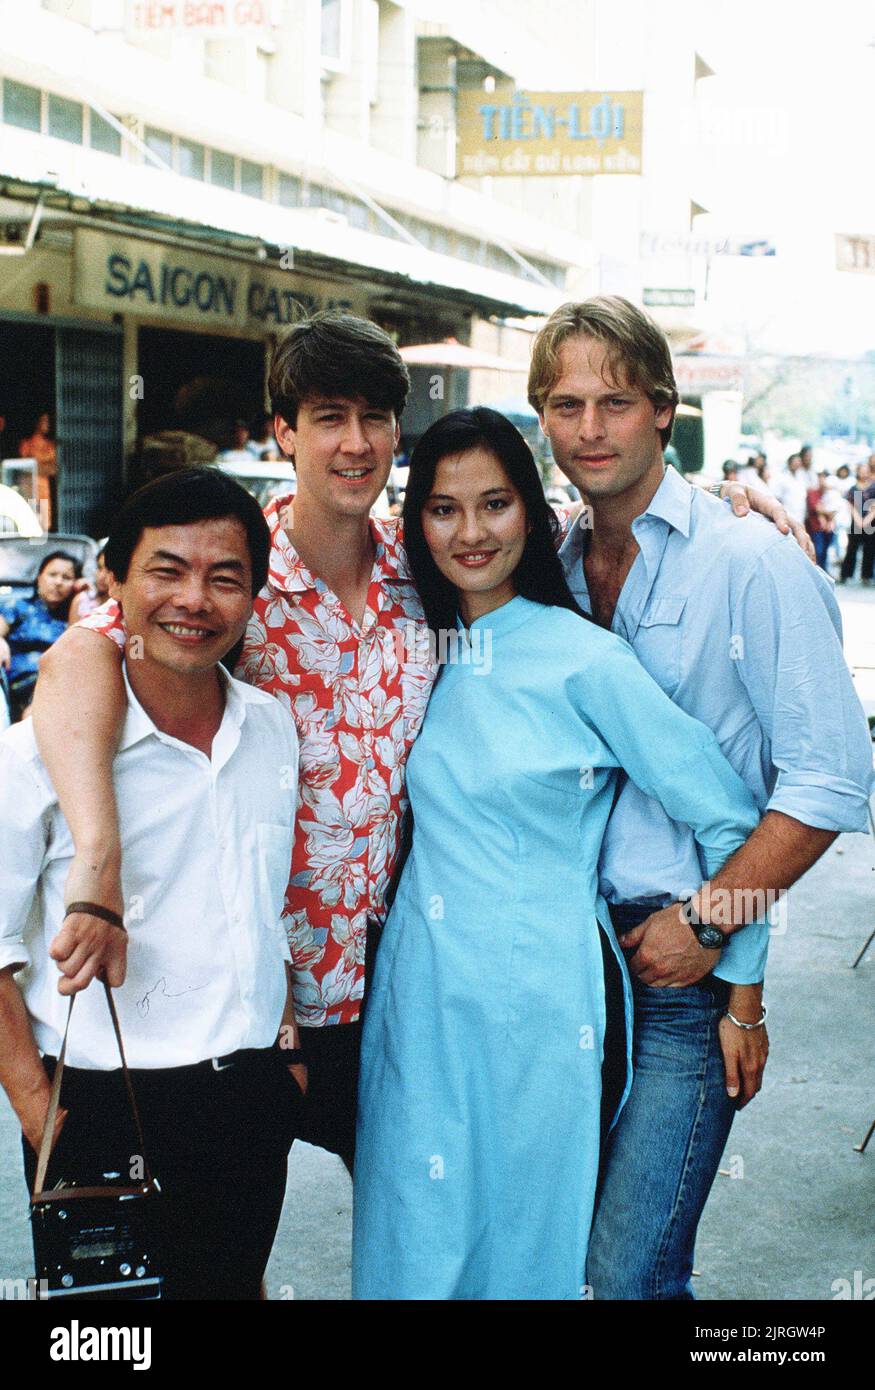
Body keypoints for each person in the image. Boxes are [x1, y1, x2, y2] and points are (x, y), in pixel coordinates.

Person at [29, 314, 811, 1191]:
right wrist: (98, 856)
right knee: (226, 1242)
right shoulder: (236, 577)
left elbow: (580, 506)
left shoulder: (432, 560)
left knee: (416, 1224)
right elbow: (78, 658)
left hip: (400, 992)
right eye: (328, 417)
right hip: (253, 1001)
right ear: (284, 431)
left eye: (374, 418)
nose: (355, 443)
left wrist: (729, 505)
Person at [352, 409, 765, 1300]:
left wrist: (741, 982)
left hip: (540, 1004)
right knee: (410, 1242)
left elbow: (730, 819)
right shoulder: (414, 645)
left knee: (522, 1252)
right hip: (418, 997)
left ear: (533, 515)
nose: (470, 532)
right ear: (414, 523)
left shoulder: (586, 661)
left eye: (494, 503)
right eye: (443, 508)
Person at [528, 296, 874, 1300]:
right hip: (562, 964)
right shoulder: (544, 565)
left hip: (680, 966)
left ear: (662, 410)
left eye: (614, 402)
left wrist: (711, 923)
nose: (589, 428)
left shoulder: (749, 560)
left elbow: (827, 779)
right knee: (562, 1263)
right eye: (565, 405)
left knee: (628, 1273)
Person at [0, 467, 302, 1300]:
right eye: (167, 571)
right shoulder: (37, 754)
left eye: (225, 577)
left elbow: (263, 905)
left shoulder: (270, 729)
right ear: (114, 580)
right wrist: (37, 1109)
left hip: (246, 1097)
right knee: (110, 1341)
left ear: (253, 595)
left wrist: (284, 1057)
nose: (194, 600)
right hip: (97, 1104)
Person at [0, 550, 80, 720]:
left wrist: (83, 595)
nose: (58, 582)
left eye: (66, 578)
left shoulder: (73, 617)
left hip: (62, 683)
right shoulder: (17, 606)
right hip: (22, 684)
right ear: (39, 578)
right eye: (52, 575)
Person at [18, 412, 57, 530]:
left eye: (48, 421)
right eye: (44, 421)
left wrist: (35, 467)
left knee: (44, 526)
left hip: (44, 492)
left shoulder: (50, 446)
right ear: (37, 422)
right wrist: (42, 467)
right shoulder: (26, 444)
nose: (47, 424)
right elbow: (24, 468)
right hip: (29, 489)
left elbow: (53, 469)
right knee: (30, 525)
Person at [839, 463, 875, 586]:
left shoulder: (873, 487)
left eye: (866, 470)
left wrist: (867, 520)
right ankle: (845, 575)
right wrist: (859, 520)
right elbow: (850, 505)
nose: (864, 473)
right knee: (851, 549)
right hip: (856, 523)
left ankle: (866, 576)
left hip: (871, 523)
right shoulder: (853, 488)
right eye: (861, 470)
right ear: (858, 472)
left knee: (869, 550)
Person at [806, 469, 839, 571]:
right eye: (820, 477)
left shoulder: (832, 493)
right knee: (818, 552)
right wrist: (829, 511)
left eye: (825, 477)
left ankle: (824, 572)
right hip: (816, 528)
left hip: (829, 528)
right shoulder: (812, 492)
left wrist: (830, 513)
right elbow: (817, 508)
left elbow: (836, 508)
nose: (823, 480)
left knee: (825, 552)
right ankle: (816, 572)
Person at [68, 546, 111, 623]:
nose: (101, 576)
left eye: (109, 571)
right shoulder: (82, 600)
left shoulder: (125, 606)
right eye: (99, 568)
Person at [771, 452, 808, 524]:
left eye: (799, 462)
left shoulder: (802, 478)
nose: (797, 464)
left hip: (800, 516)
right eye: (795, 462)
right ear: (789, 463)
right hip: (787, 516)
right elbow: (777, 497)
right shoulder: (782, 477)